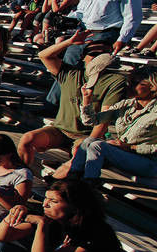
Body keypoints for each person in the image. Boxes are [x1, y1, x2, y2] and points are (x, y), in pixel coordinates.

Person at [19, 31, 126, 168]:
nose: (97, 59)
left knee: (78, 151)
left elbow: (104, 120)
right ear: (83, 57)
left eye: (103, 55)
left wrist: (89, 143)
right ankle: (23, 175)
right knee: (27, 139)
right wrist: (70, 42)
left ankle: (63, 175)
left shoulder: (114, 81)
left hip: (86, 135)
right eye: (93, 54)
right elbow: (44, 55)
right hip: (60, 130)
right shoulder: (70, 74)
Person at [61, 67, 157, 180]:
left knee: (98, 146)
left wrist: (131, 147)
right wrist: (86, 99)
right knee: (88, 142)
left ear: (153, 87)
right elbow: (91, 120)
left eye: (136, 83)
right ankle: (72, 179)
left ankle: (88, 182)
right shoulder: (126, 105)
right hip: (124, 155)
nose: (129, 86)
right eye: (129, 83)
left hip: (147, 162)